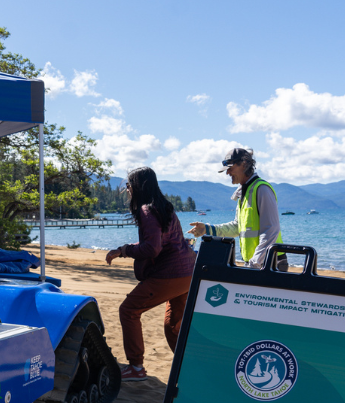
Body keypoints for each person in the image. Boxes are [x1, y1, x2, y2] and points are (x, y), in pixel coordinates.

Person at [105, 166, 195, 382]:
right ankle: (188, 369)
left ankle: (136, 367)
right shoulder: (165, 208)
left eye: (129, 185)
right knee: (173, 325)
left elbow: (152, 248)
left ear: (138, 186)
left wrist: (124, 250)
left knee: (129, 310)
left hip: (170, 274)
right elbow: (161, 242)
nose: (127, 189)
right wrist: (126, 249)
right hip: (188, 273)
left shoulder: (147, 210)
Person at [189, 148, 286, 270]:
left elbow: (271, 231)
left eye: (230, 168)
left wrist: (255, 263)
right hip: (257, 265)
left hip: (270, 264)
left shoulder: (262, 189)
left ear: (244, 164)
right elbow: (237, 227)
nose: (227, 173)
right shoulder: (245, 192)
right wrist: (207, 229)